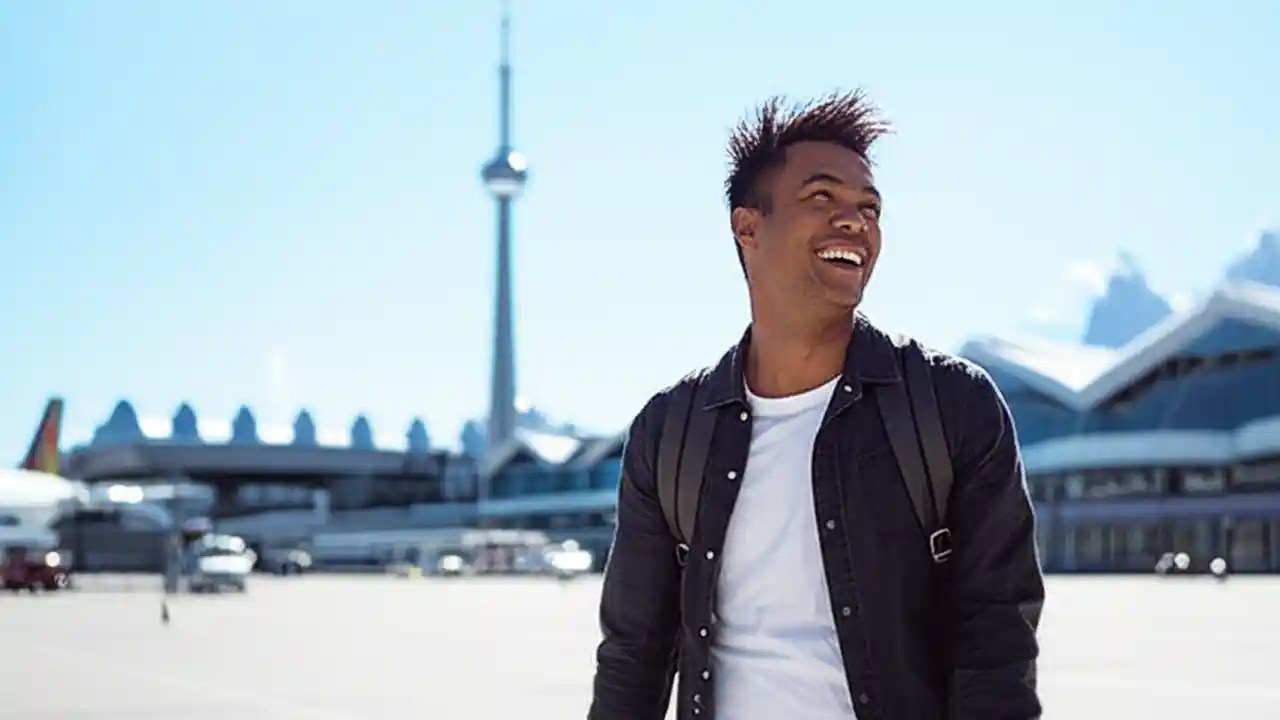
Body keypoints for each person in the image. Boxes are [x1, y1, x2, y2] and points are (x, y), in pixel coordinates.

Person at [588, 90, 1045, 719]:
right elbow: (632, 655)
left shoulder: (952, 405)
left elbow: (998, 646)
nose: (854, 221)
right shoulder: (671, 432)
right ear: (748, 228)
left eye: (869, 207)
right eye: (821, 198)